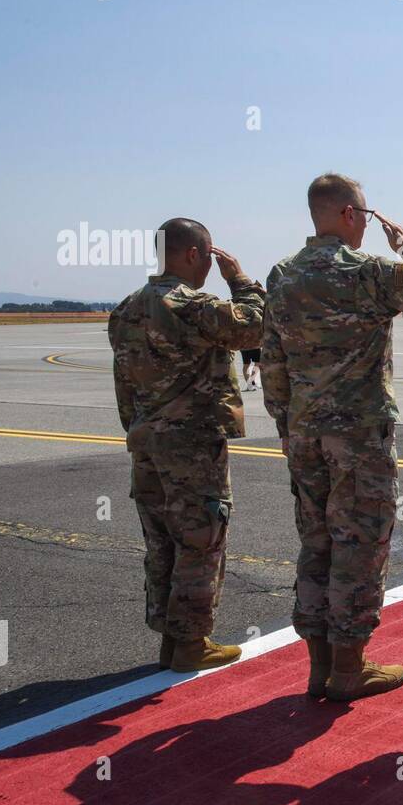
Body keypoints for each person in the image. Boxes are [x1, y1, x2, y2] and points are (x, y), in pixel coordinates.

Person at [261, 173, 403, 701]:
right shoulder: (367, 271)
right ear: (350, 215)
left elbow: (271, 361)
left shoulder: (282, 275)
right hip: (359, 436)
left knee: (316, 542)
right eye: (366, 217)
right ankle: (349, 668)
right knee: (361, 543)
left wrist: (286, 426)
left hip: (304, 434)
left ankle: (319, 666)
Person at [108, 218, 265, 671]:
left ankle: (170, 639)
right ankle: (193, 641)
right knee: (199, 541)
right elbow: (256, 327)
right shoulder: (190, 304)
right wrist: (240, 281)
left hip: (146, 442)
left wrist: (139, 427)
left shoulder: (127, 309)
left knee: (162, 543)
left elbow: (124, 383)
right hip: (192, 445)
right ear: (194, 255)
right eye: (208, 258)